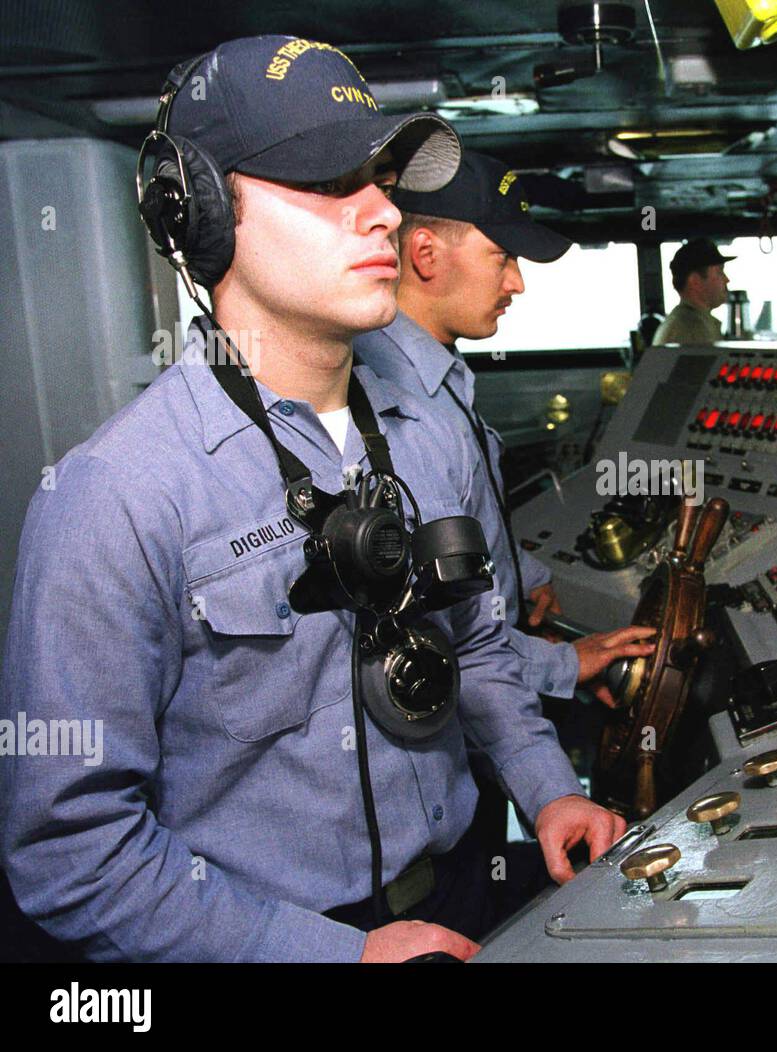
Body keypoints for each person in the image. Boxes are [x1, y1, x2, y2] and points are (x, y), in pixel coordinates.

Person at [0, 35, 623, 964]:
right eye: (332, 183)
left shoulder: (431, 434)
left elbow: (481, 650)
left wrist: (546, 789)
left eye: (380, 175)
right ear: (203, 212)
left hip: (467, 891)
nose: (382, 211)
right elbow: (75, 855)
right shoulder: (113, 500)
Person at [354, 151, 659, 711]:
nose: (517, 282)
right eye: (503, 257)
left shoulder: (437, 375)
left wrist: (522, 575)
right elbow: (436, 633)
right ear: (425, 254)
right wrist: (564, 664)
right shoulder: (394, 406)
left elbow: (465, 523)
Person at [653, 238, 733, 345]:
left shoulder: (693, 322)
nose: (727, 279)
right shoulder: (690, 329)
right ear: (695, 281)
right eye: (719, 272)